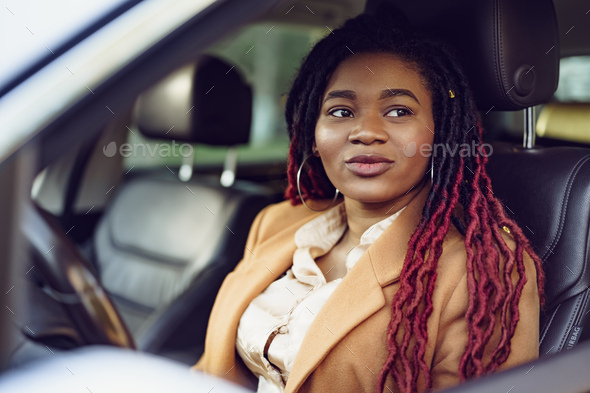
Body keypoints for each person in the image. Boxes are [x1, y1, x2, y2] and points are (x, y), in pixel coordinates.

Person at [193, 6, 543, 393]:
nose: (366, 132)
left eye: (398, 111)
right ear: (312, 132)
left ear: (438, 133)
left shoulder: (482, 269)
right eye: (341, 111)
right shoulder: (275, 223)